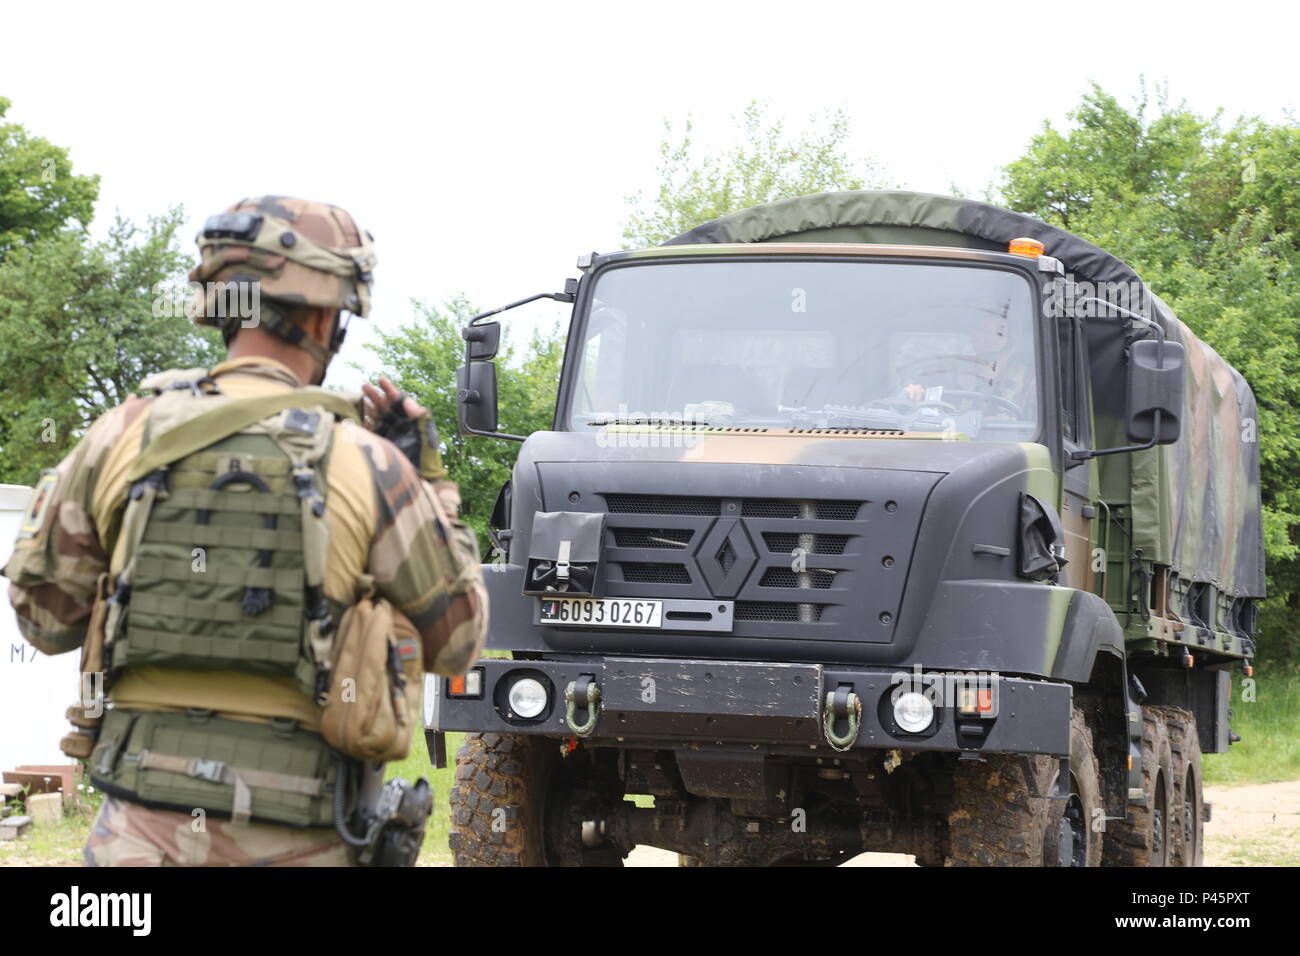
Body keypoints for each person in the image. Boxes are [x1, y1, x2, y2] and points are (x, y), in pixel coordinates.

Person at [2, 196, 488, 866]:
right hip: (307, 835)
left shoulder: (121, 434)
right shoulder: (371, 463)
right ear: (326, 315)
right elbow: (459, 643)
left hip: (134, 842)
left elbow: (44, 620)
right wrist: (426, 478)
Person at [901, 310, 1032, 413]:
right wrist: (916, 391)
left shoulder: (1028, 377)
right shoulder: (948, 369)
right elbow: (922, 393)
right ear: (972, 335)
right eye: (983, 330)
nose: (990, 338)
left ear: (1010, 339)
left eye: (999, 333)